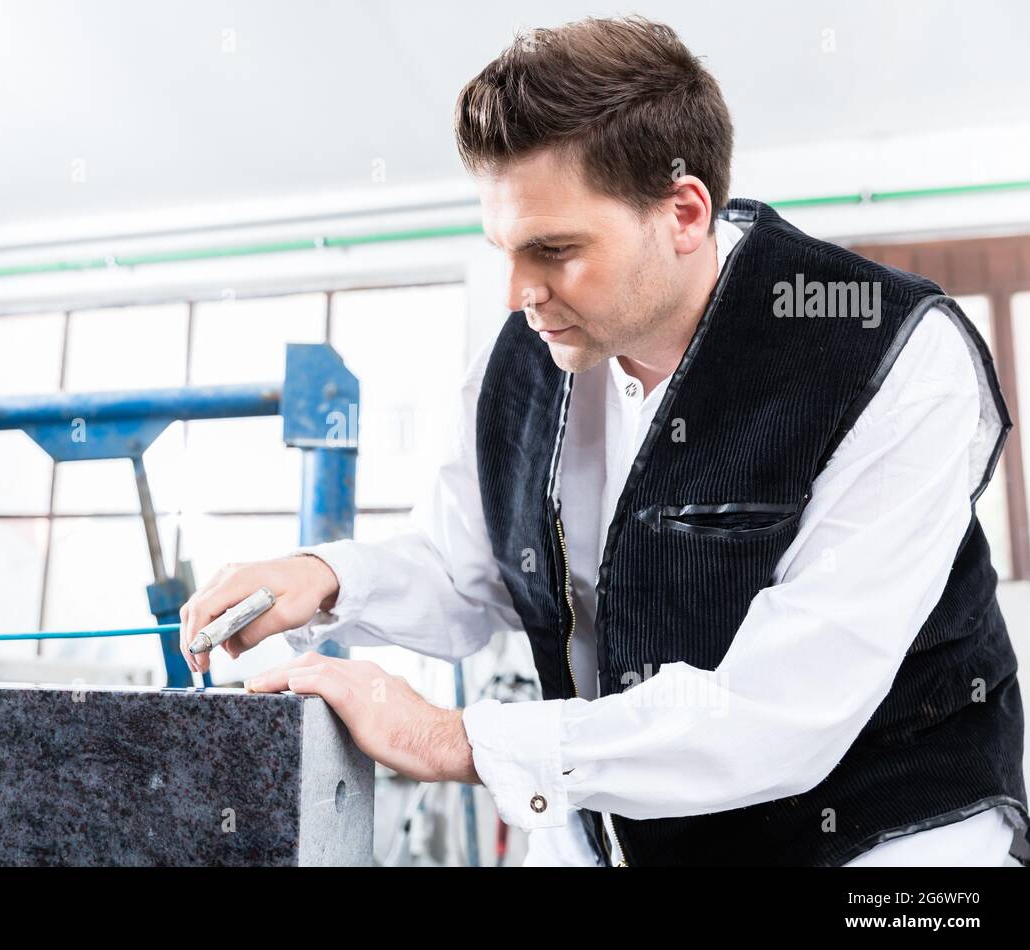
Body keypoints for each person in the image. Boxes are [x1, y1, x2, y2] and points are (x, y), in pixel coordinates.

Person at [179, 16, 1028, 866]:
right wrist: (325, 580)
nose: (519, 293)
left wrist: (451, 739)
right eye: (505, 250)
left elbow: (779, 713)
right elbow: (463, 569)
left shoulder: (893, 354)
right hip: (612, 834)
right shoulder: (522, 362)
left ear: (684, 212)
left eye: (553, 249)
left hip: (891, 846)